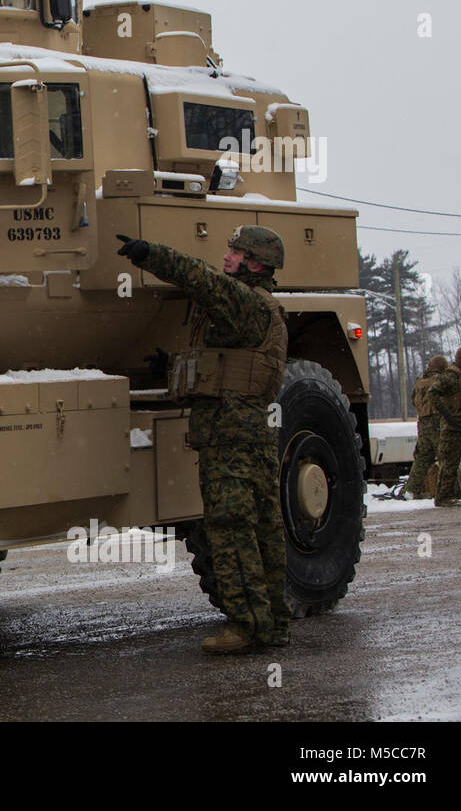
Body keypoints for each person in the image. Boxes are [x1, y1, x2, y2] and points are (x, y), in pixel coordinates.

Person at [117, 225, 290, 653]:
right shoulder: (259, 309)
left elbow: (199, 278)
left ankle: (246, 626)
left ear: (254, 262)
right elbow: (227, 365)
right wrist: (172, 364)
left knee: (232, 529)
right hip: (247, 434)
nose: (226, 257)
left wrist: (148, 252)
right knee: (263, 528)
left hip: (231, 438)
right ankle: (272, 622)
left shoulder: (245, 302)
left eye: (234, 252)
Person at [403, 355, 457, 501]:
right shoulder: (439, 381)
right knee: (446, 456)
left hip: (422, 423)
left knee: (423, 458)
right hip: (437, 422)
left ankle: (410, 490)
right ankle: (454, 491)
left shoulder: (419, 382)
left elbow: (414, 400)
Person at [429, 345, 461, 508]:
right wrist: (446, 413)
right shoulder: (450, 376)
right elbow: (433, 393)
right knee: (449, 463)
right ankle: (443, 497)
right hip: (454, 428)